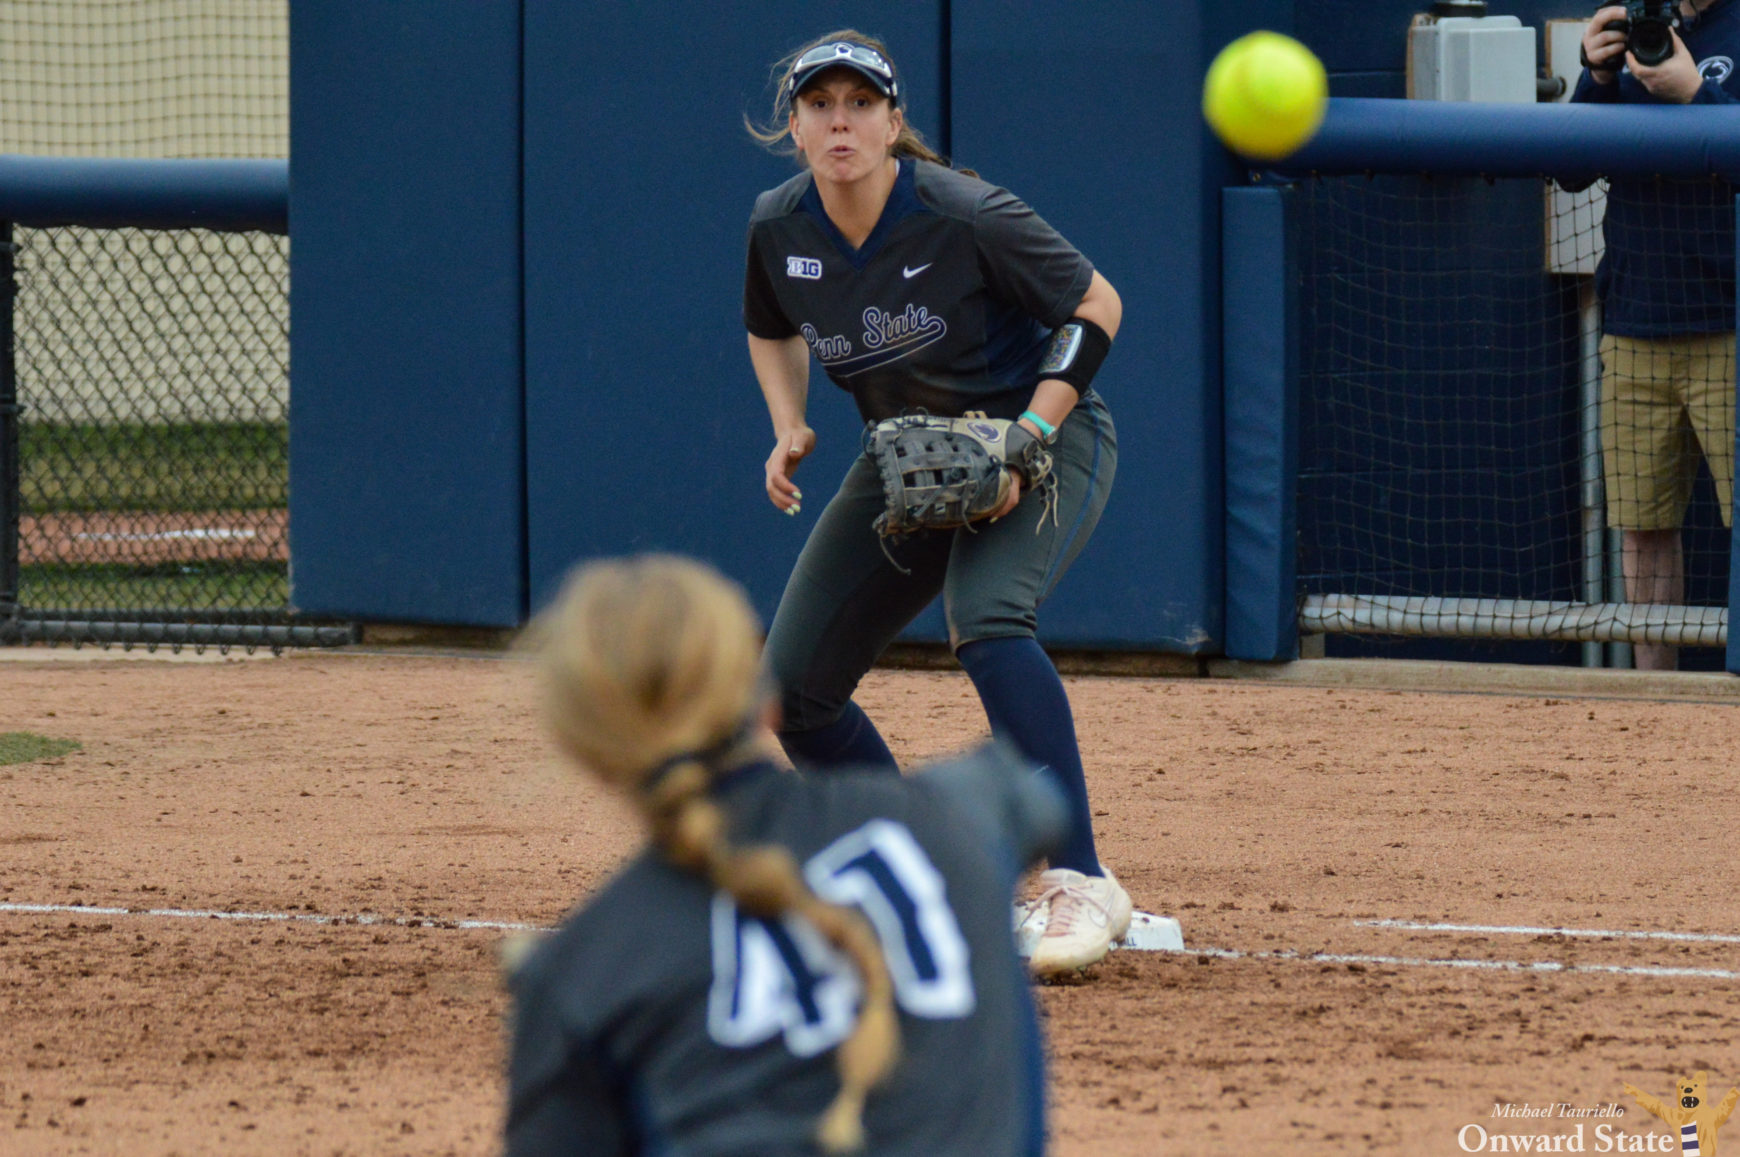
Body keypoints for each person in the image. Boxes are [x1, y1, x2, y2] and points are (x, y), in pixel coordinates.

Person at [742, 30, 1131, 974]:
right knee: (792, 692)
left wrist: (1028, 436)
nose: (841, 122)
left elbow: (1098, 305)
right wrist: (788, 422)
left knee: (988, 620)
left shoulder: (964, 212)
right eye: (820, 105)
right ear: (794, 127)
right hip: (907, 455)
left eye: (861, 104)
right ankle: (923, 873)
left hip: (1042, 435)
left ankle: (1079, 877)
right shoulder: (779, 226)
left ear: (893, 122)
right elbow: (769, 322)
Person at [503, 554, 1068, 1156]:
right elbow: (1033, 801)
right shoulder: (957, 815)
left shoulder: (578, 974)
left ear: (586, 751)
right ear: (764, 701)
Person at [1575, 0, 1738, 669]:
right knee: (1643, 527)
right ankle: (1654, 701)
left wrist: (1696, 94)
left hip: (1731, 323)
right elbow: (1571, 168)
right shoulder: (1633, 24)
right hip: (1636, 319)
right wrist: (1595, 74)